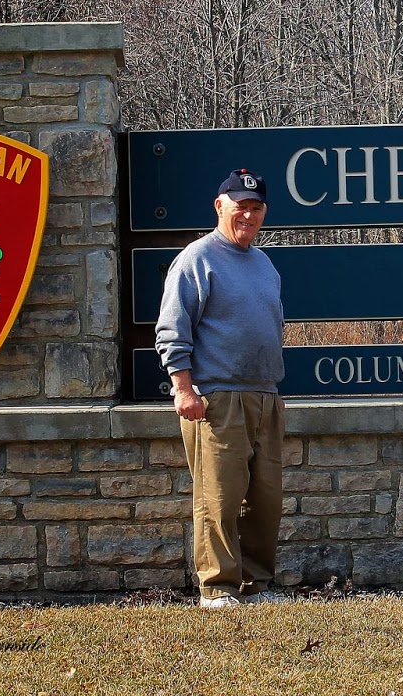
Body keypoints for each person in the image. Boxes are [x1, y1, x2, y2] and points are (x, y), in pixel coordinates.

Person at [155, 168, 286, 607]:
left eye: (256, 207)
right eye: (239, 207)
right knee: (220, 498)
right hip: (217, 398)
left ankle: (255, 586)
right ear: (220, 207)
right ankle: (218, 589)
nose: (248, 215)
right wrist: (183, 388)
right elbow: (172, 328)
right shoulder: (197, 258)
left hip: (264, 395)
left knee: (264, 500)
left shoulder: (264, 264)